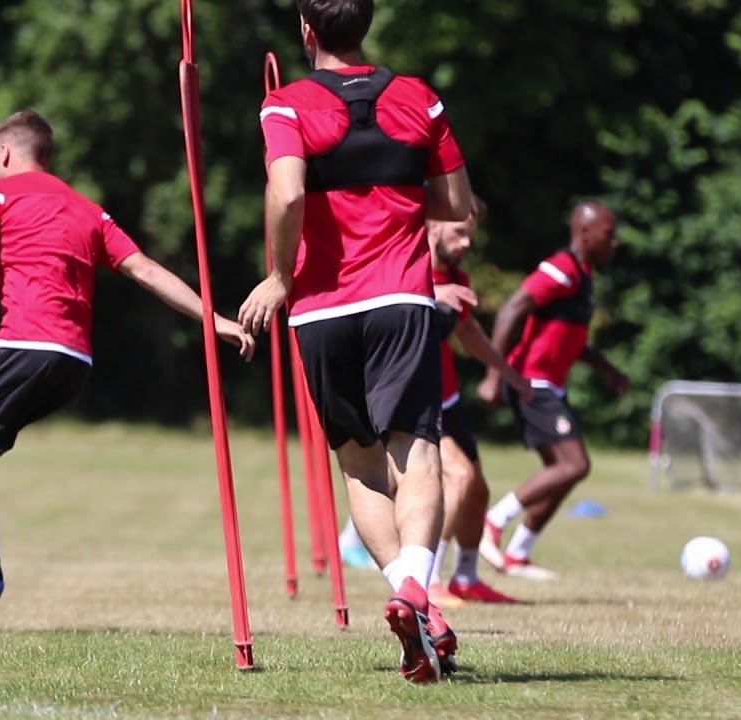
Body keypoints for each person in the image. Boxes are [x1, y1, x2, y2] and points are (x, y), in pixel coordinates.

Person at [0, 110, 255, 629]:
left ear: (3, 153)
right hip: (72, 362)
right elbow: (145, 269)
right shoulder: (89, 210)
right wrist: (215, 320)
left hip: (22, 345)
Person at [239, 0, 474, 683]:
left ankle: (407, 592)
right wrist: (397, 196)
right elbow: (456, 202)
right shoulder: (418, 97)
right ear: (365, 26)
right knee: (417, 450)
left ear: (307, 31)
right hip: (401, 298)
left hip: (321, 309)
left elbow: (286, 195)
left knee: (361, 464)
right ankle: (418, 593)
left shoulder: (284, 105)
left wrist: (280, 276)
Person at [476, 200, 627, 580]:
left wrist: (606, 369)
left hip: (549, 386)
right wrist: (496, 375)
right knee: (575, 464)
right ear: (584, 232)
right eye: (609, 235)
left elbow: (571, 339)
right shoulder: (560, 269)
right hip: (530, 382)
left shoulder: (584, 277)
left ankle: (517, 554)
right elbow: (511, 309)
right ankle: (492, 522)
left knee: (564, 472)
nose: (615, 242)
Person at [423, 197, 534, 607]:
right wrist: (434, 292)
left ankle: (466, 578)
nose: (467, 241)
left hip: (448, 398)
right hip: (417, 397)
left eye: (471, 233)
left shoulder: (456, 276)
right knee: (459, 477)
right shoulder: (407, 267)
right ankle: (428, 581)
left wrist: (509, 375)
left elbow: (469, 336)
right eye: (459, 231)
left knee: (479, 490)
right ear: (432, 226)